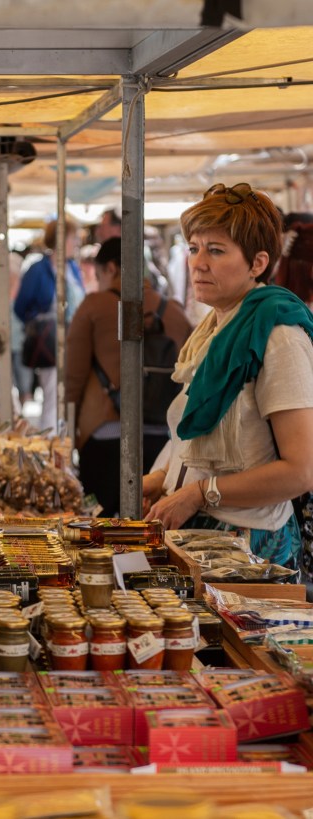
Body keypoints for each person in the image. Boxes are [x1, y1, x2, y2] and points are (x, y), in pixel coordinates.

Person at [142, 183, 313, 571]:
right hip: (198, 531)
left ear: (257, 263)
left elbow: (301, 471)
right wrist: (162, 478)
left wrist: (201, 493)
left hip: (247, 546)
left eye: (215, 250)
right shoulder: (215, 330)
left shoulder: (278, 337)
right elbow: (191, 434)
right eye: (194, 248)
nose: (198, 263)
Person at [66, 238, 192, 515]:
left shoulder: (94, 306)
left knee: (102, 524)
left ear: (110, 268)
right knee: (150, 526)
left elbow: (72, 379)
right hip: (164, 440)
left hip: (106, 435)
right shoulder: (175, 313)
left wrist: (68, 437)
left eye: (98, 275)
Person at [14, 217, 86, 431]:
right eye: (73, 238)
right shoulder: (38, 269)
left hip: (74, 340)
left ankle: (63, 444)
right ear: (61, 239)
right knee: (53, 395)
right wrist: (38, 321)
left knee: (69, 397)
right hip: (51, 342)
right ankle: (50, 444)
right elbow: (20, 306)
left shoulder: (72, 267)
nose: (76, 244)